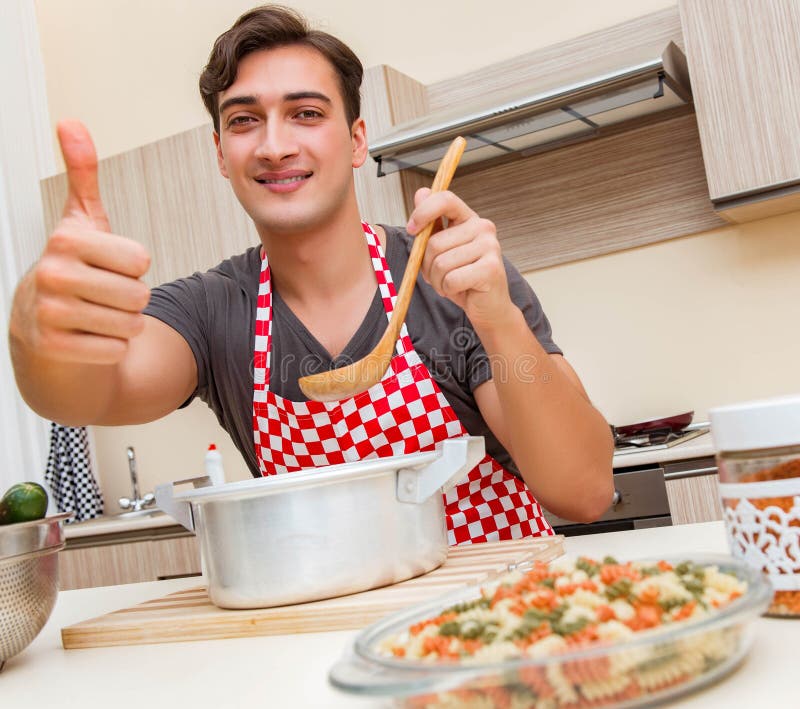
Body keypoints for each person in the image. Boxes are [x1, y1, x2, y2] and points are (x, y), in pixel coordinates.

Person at [9, 5, 613, 544]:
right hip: (334, 652)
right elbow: (87, 392)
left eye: (304, 113)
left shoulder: (454, 278)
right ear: (221, 153)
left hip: (500, 622)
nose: (274, 145)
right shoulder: (215, 311)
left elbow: (582, 493)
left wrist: (497, 317)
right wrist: (37, 330)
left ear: (355, 141)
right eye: (244, 120)